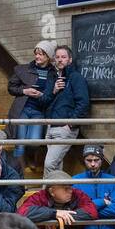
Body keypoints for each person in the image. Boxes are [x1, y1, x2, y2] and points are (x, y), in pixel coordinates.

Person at [38, 45, 89, 174]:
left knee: (49, 164)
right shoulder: (52, 77)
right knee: (56, 167)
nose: (60, 60)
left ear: (70, 60)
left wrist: (70, 124)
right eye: (57, 57)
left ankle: (45, 194)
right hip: (50, 128)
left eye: (64, 57)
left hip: (65, 129)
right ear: (54, 59)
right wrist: (53, 91)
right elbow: (43, 101)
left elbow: (83, 103)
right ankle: (58, 193)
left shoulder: (76, 78)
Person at [7, 40, 56, 160]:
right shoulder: (23, 69)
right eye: (36, 53)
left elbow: (51, 95)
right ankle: (18, 173)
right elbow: (11, 87)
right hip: (22, 110)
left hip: (39, 111)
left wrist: (41, 95)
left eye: (41, 54)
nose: (37, 56)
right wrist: (25, 91)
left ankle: (29, 159)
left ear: (48, 56)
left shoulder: (53, 73)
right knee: (20, 143)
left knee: (35, 142)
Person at [74, 144, 115, 229]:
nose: (93, 164)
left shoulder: (114, 181)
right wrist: (102, 202)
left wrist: (88, 210)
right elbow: (76, 211)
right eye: (89, 160)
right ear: (84, 160)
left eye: (96, 160)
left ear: (102, 160)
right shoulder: (75, 182)